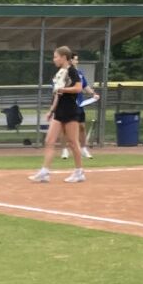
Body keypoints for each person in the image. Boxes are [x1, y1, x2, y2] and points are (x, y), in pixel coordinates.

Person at [29, 46, 85, 182]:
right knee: (49, 141)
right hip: (59, 111)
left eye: (56, 56)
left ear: (64, 57)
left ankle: (79, 172)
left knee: (73, 143)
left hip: (70, 110)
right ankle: (45, 172)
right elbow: (57, 94)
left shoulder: (72, 71)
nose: (54, 59)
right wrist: (51, 110)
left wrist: (64, 89)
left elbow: (78, 88)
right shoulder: (60, 72)